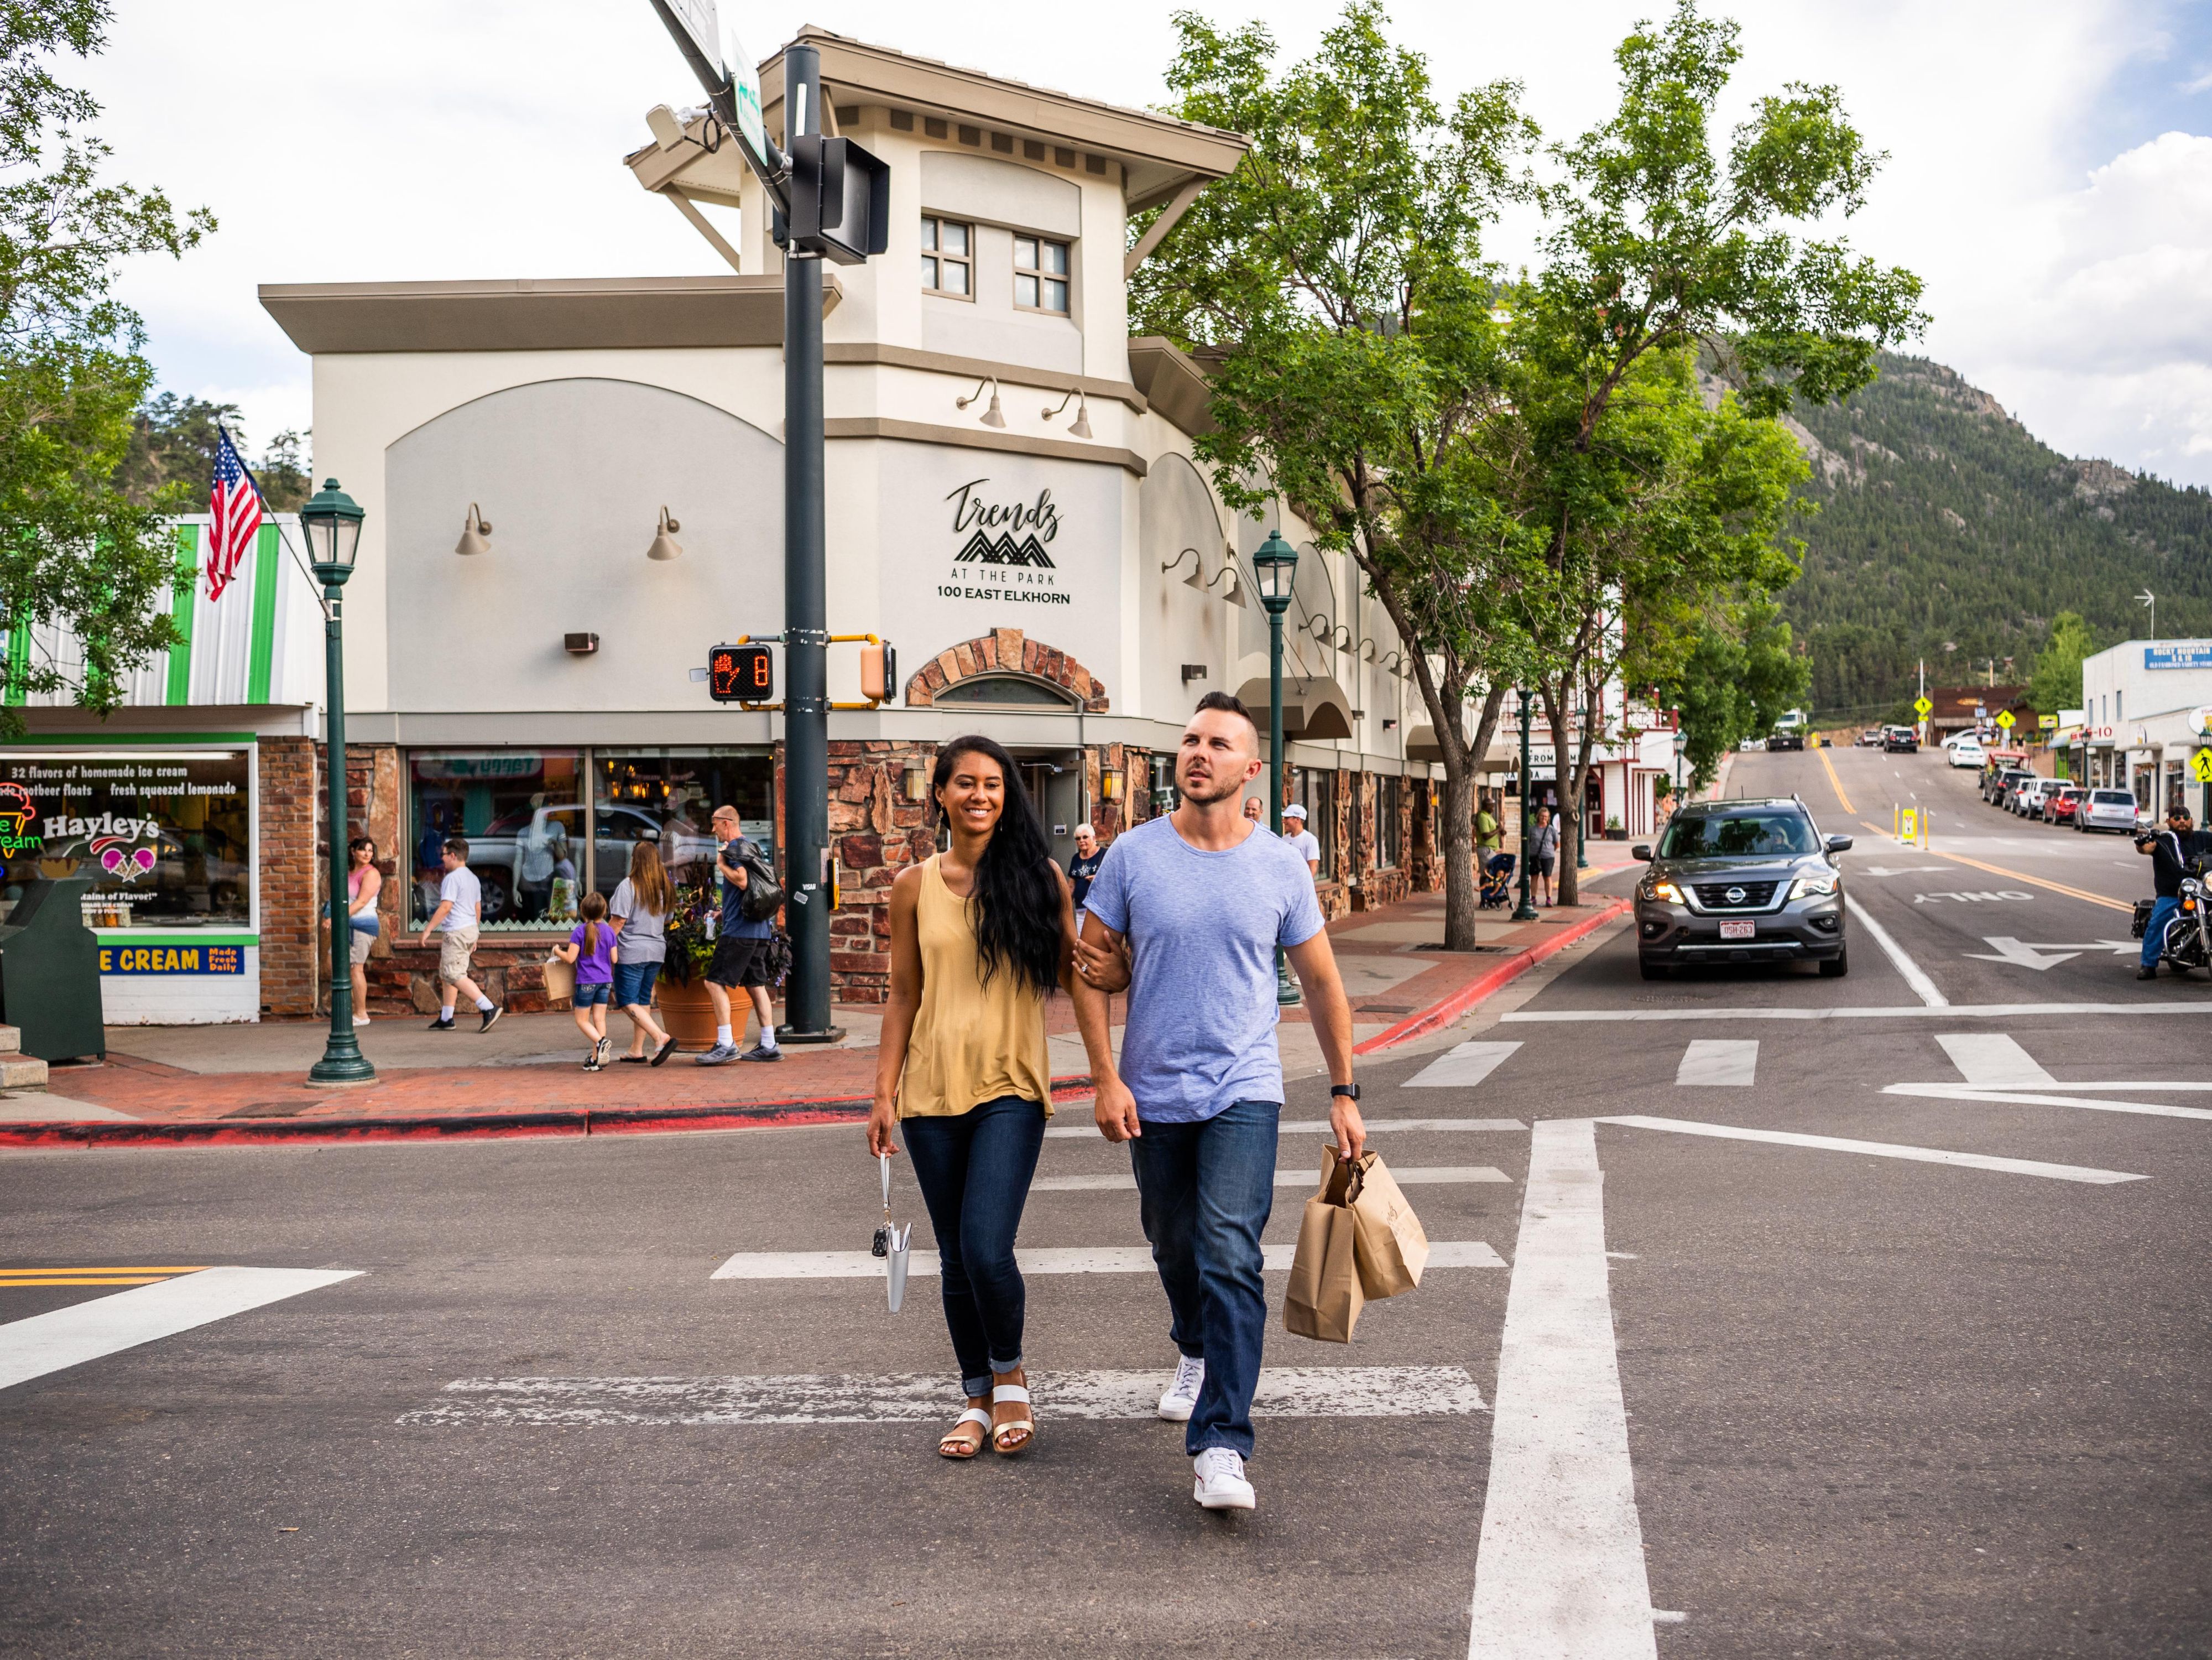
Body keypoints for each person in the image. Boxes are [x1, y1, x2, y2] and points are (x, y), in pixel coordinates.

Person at [1072, 692, 1364, 1513]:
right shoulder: (1132, 855)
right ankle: (1194, 1344)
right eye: (1191, 740)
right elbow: (1089, 966)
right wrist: (1104, 1076)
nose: (1198, 752)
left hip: (1245, 1087)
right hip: (1154, 1088)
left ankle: (1223, 1443)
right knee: (1172, 1242)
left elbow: (1321, 981)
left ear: (1251, 768)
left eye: (1219, 743)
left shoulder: (1279, 864)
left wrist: (1344, 1090)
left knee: (1231, 1252)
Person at [869, 736, 1117, 1460]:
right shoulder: (914, 884)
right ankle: (974, 1396)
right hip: (929, 1092)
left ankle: (1009, 1373)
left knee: (985, 1244)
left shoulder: (1039, 877)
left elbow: (1074, 979)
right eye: (967, 784)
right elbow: (903, 993)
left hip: (1011, 1084)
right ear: (940, 793)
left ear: (1007, 797)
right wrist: (883, 1091)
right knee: (954, 1256)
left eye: (995, 785)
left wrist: (1106, 1076)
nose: (982, 795)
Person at [696, 804, 780, 1064]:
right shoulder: (752, 846)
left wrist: (721, 863)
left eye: (715, 824)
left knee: (714, 982)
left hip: (740, 931)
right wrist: (723, 911)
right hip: (759, 929)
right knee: (756, 985)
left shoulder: (734, 849)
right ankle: (769, 1044)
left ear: (727, 823)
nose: (713, 830)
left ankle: (726, 1043)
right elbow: (748, 888)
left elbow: (742, 880)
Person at [419, 836, 502, 1032]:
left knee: (453, 973)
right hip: (469, 930)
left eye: (444, 855)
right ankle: (447, 1018)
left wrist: (428, 929)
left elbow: (446, 906)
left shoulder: (452, 878)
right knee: (450, 973)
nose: (442, 859)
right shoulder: (473, 878)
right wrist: (476, 932)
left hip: (456, 931)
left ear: (453, 855)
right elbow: (477, 907)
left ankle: (488, 1007)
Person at [609, 838, 677, 1065]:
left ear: (635, 861)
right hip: (656, 951)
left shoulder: (628, 886)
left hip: (631, 952)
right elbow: (668, 920)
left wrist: (599, 945)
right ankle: (636, 1050)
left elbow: (617, 923)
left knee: (627, 1001)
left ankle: (660, 1037)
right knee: (642, 999)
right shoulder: (665, 888)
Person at [2135, 806, 2198, 979]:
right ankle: (2148, 964)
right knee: (2158, 921)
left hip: (2200, 892)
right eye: (2177, 818)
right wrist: (2142, 843)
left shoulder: (2202, 838)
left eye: (2186, 817)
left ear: (2192, 820)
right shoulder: (2163, 840)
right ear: (2169, 821)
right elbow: (2147, 848)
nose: (2182, 821)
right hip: (2172, 893)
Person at [555, 891, 617, 1069]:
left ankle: (601, 1043)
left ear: (583, 911)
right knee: (600, 1019)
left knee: (582, 1020)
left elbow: (570, 958)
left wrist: (557, 950)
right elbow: (615, 959)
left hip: (587, 982)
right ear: (604, 911)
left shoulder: (579, 932)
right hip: (605, 981)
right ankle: (597, 1060)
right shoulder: (609, 932)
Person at [324, 835, 381, 1025]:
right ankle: (347, 1010)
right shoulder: (347, 872)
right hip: (345, 924)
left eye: (371, 850)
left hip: (361, 925)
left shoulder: (371, 874)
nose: (367, 853)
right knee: (333, 963)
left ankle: (361, 1014)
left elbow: (362, 902)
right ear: (353, 851)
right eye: (363, 849)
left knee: (356, 968)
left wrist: (335, 919)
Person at [1066, 822, 1105, 910]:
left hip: (1100, 909)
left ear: (1094, 838)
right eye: (1078, 838)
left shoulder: (1104, 855)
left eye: (1085, 837)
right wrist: (1065, 908)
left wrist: (1098, 879)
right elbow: (1072, 886)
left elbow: (1114, 879)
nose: (1081, 841)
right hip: (1081, 908)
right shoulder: (1076, 858)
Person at [1530, 805, 1559, 907]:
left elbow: (1557, 843)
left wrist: (1550, 850)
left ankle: (1549, 899)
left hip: (1548, 857)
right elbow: (1528, 842)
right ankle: (1533, 898)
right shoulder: (1532, 829)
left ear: (1549, 818)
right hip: (1534, 856)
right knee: (1534, 877)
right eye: (1542, 816)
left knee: (1547, 877)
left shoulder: (1551, 829)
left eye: (1546, 817)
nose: (1544, 819)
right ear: (1539, 816)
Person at [1281, 802, 1321, 877]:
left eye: (1287, 818)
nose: (1284, 821)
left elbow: (1313, 867)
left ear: (1297, 819)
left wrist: (1304, 887)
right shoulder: (1284, 839)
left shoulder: (1310, 840)